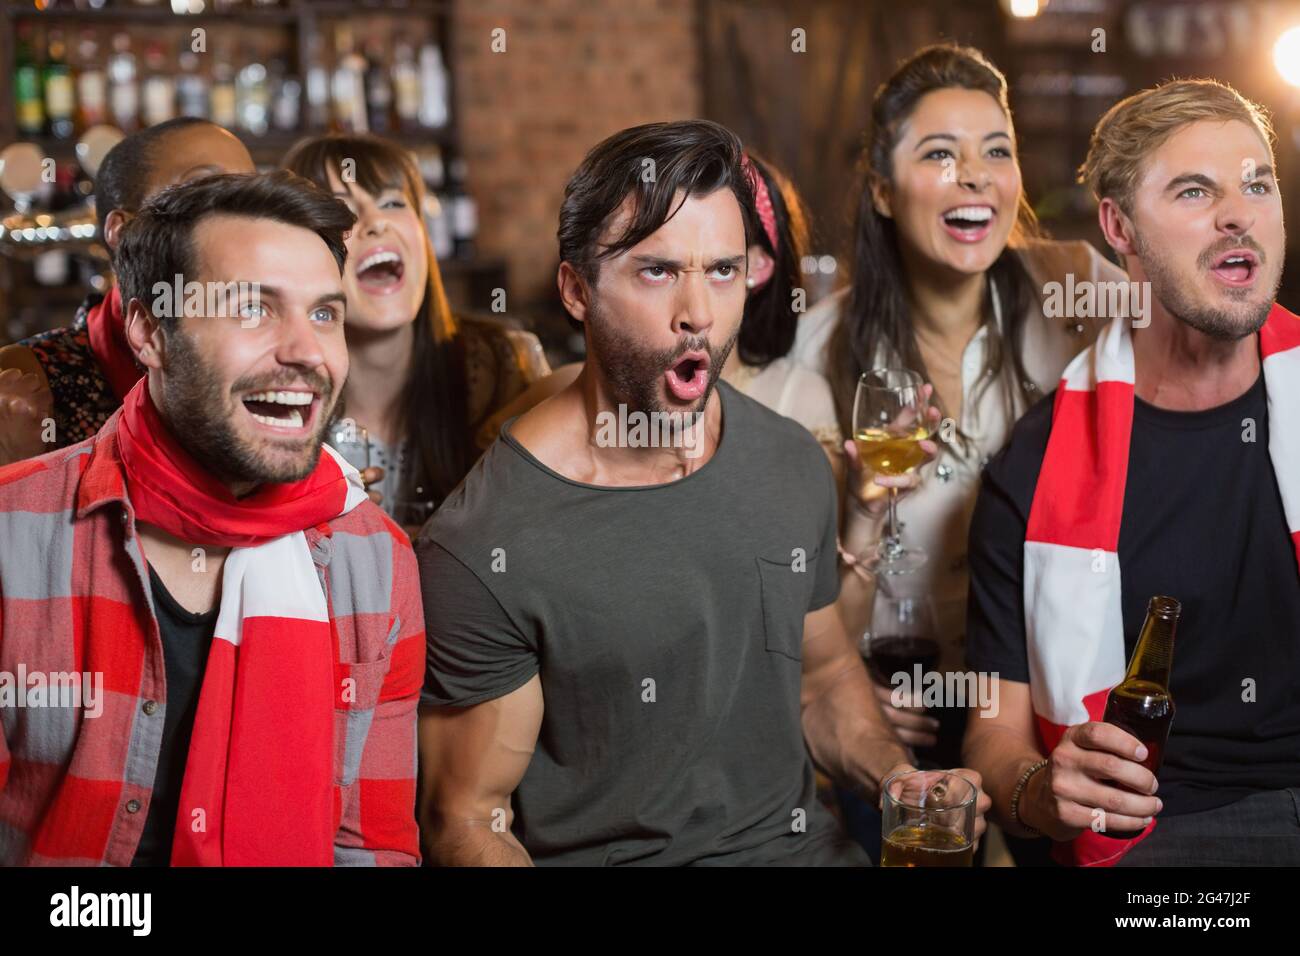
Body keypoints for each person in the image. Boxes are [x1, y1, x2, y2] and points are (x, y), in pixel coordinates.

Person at [414, 119, 988, 866]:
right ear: (576, 290)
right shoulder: (483, 543)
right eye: (657, 271)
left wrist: (899, 782)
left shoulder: (787, 460)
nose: (700, 313)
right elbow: (466, 818)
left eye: (721, 270)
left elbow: (821, 679)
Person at [0, 171, 424, 866]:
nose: (307, 352)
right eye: (253, 309)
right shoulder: (11, 537)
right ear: (149, 332)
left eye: (324, 314)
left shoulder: (374, 563)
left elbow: (369, 849)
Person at [789, 46, 1128, 857]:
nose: (975, 175)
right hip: (911, 720)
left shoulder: (1081, 295)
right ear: (881, 189)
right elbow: (802, 610)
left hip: (1058, 709)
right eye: (939, 153)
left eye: (996, 150)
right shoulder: (817, 352)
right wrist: (853, 691)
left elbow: (1197, 370)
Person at [963, 78, 1300, 866]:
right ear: (1119, 227)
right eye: (1194, 190)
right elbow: (992, 734)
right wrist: (1043, 790)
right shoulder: (1034, 464)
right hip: (1170, 830)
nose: (1238, 214)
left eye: (1258, 184)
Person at [282, 134, 550, 529]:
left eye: (392, 202)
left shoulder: (505, 361)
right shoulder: (282, 395)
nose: (375, 224)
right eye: (343, 211)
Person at [0, 117, 257, 466]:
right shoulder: (27, 384)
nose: (242, 220)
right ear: (123, 232)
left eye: (252, 198)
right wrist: (16, 472)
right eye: (204, 192)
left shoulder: (275, 355)